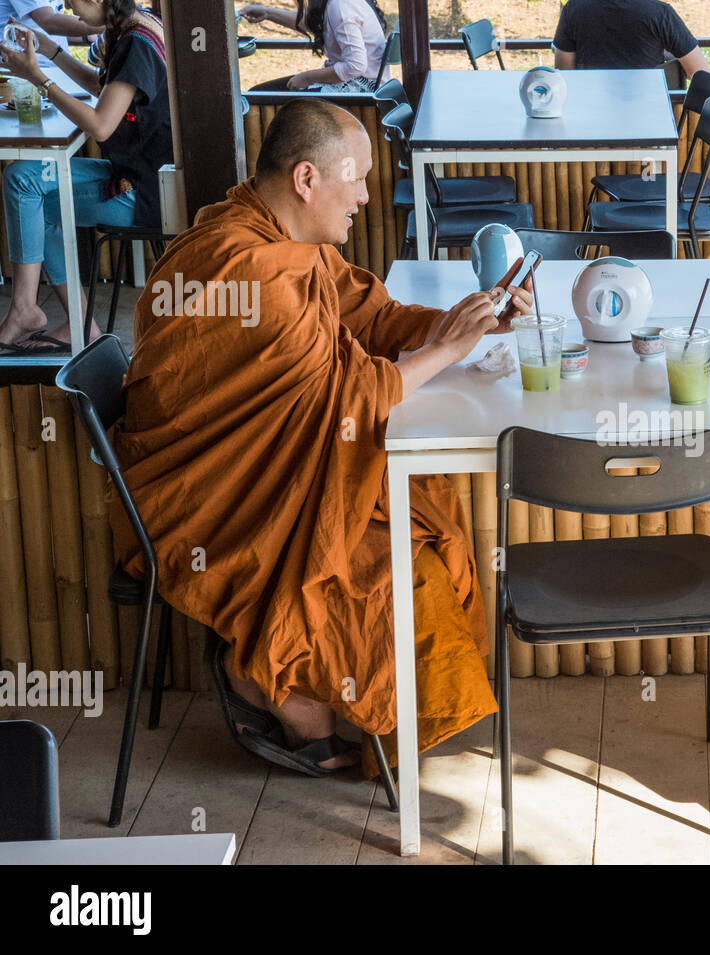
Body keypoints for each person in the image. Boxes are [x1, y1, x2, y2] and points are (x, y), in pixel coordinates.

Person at [109, 99, 534, 775]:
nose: (367, 196)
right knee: (388, 565)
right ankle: (270, 680)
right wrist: (447, 351)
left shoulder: (281, 240)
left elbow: (370, 315)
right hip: (219, 509)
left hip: (268, 476)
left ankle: (319, 695)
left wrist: (467, 321)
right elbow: (344, 401)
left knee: (419, 517)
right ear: (306, 179)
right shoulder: (248, 268)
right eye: (357, 178)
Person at [0, 0, 171, 352]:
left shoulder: (135, 41)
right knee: (23, 177)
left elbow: (101, 125)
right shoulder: (139, 23)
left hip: (144, 192)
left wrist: (38, 77)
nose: (68, 7)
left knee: (30, 193)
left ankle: (34, 312)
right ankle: (46, 314)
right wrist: (52, 51)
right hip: (139, 174)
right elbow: (102, 90)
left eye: (73, 0)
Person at [240, 0, 387, 92]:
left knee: (259, 97)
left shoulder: (340, 5)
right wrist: (268, 13)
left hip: (360, 88)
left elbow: (356, 66)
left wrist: (306, 77)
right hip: (360, 81)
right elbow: (314, 22)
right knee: (260, 93)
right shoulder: (335, 5)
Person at [552, 0, 707, 78]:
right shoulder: (659, 12)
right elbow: (699, 72)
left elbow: (565, 73)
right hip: (649, 123)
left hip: (590, 121)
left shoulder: (573, 9)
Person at [1, 0, 97, 67]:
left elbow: (54, 29)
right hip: (29, 70)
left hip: (56, 65)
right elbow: (49, 22)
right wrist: (106, 24)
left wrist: (88, 37)